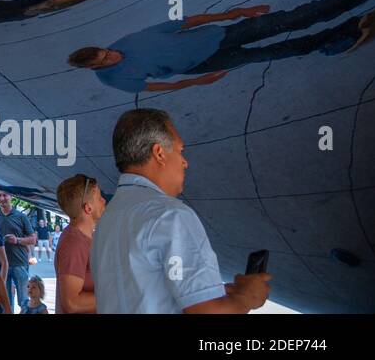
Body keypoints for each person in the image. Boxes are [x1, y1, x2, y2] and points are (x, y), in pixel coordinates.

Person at [92, 109, 270, 313]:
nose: (185, 162)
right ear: (159, 153)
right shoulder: (170, 215)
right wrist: (247, 298)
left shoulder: (108, 217)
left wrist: (206, 292)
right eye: (180, 151)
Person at [54, 173, 104, 314]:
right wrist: (117, 295)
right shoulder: (74, 244)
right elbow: (72, 303)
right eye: (99, 198)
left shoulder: (84, 238)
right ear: (88, 208)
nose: (104, 201)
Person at [0, 190, 37, 313]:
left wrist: (17, 240)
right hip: (1, 266)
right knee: (5, 301)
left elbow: (33, 239)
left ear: (11, 197)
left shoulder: (21, 216)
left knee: (24, 300)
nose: (2, 198)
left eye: (4, 195)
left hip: (19, 264)